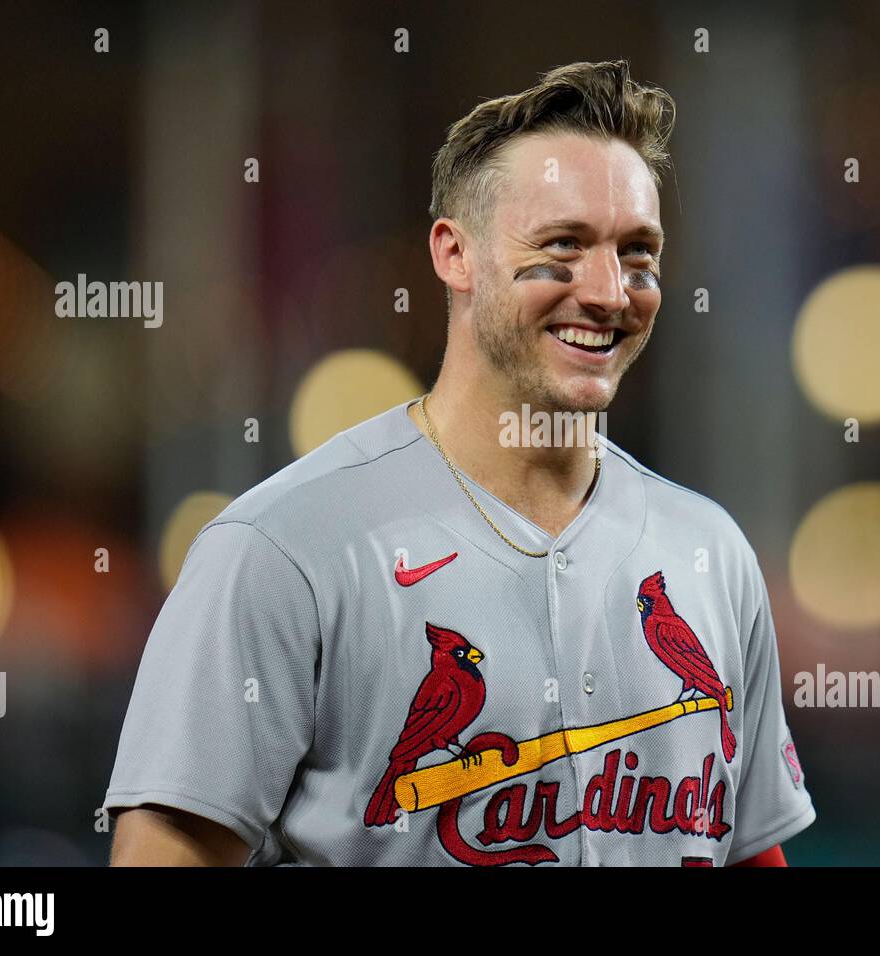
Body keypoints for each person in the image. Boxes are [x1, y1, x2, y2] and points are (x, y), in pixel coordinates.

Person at [105, 59, 815, 866]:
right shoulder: (279, 551)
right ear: (455, 254)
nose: (611, 291)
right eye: (564, 246)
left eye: (637, 251)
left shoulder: (710, 554)